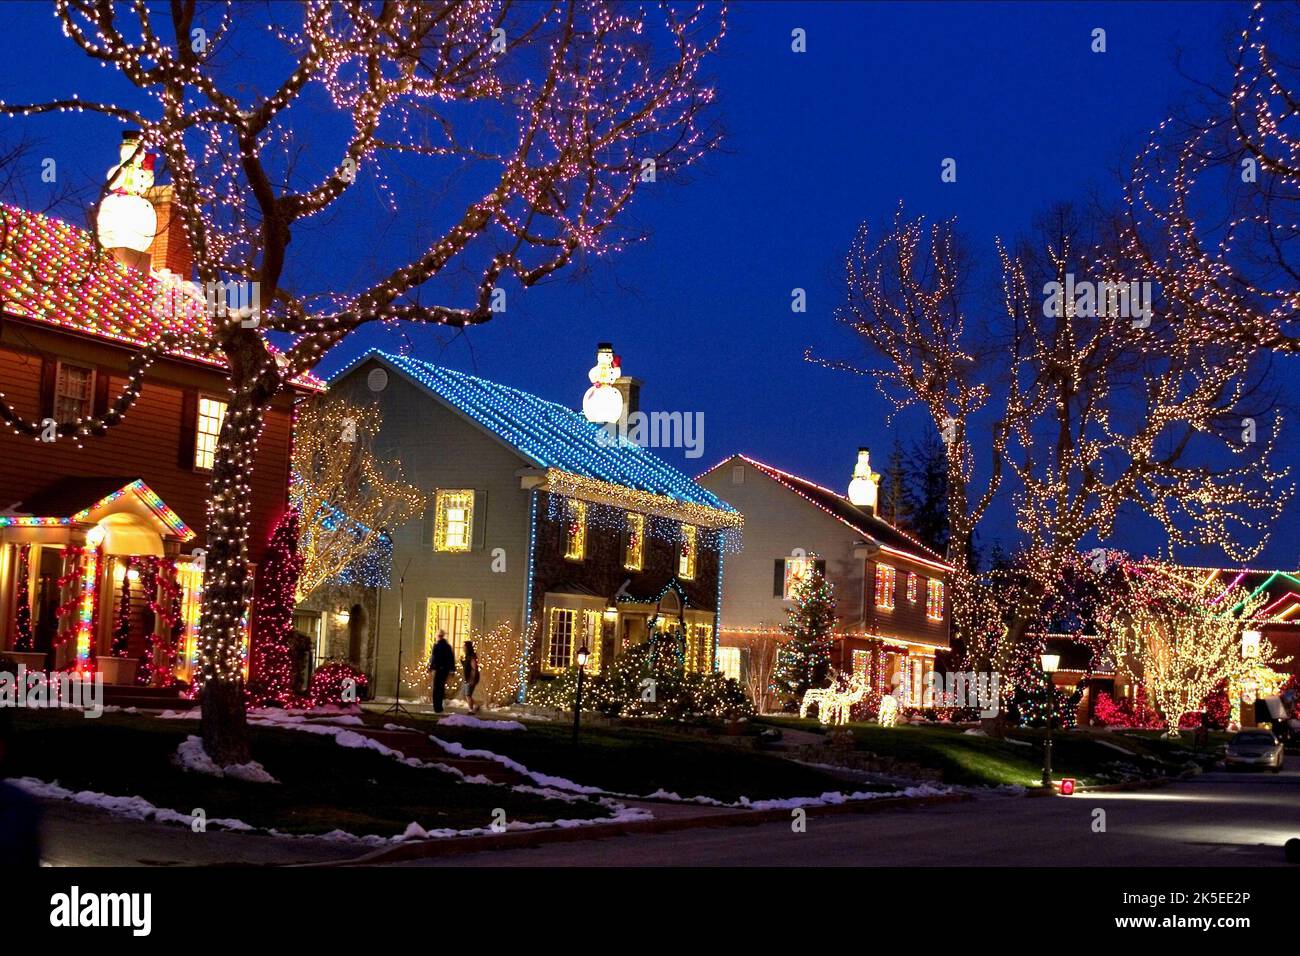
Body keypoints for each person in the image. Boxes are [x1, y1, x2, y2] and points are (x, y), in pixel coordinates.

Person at [429, 630, 455, 713]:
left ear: (438, 636)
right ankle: (439, 707)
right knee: (441, 688)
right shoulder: (448, 646)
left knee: (436, 689)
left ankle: (437, 707)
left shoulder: (436, 646)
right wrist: (452, 669)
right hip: (445, 670)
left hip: (438, 669)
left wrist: (431, 668)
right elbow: (451, 658)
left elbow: (434, 658)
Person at [462, 640, 481, 713]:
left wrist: (472, 678)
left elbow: (474, 668)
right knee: (467, 695)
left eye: (464, 647)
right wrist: (463, 662)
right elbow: (468, 666)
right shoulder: (468, 656)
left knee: (468, 695)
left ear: (467, 647)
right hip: (468, 678)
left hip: (471, 678)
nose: (463, 648)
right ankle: (475, 706)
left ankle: (471, 710)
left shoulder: (471, 656)